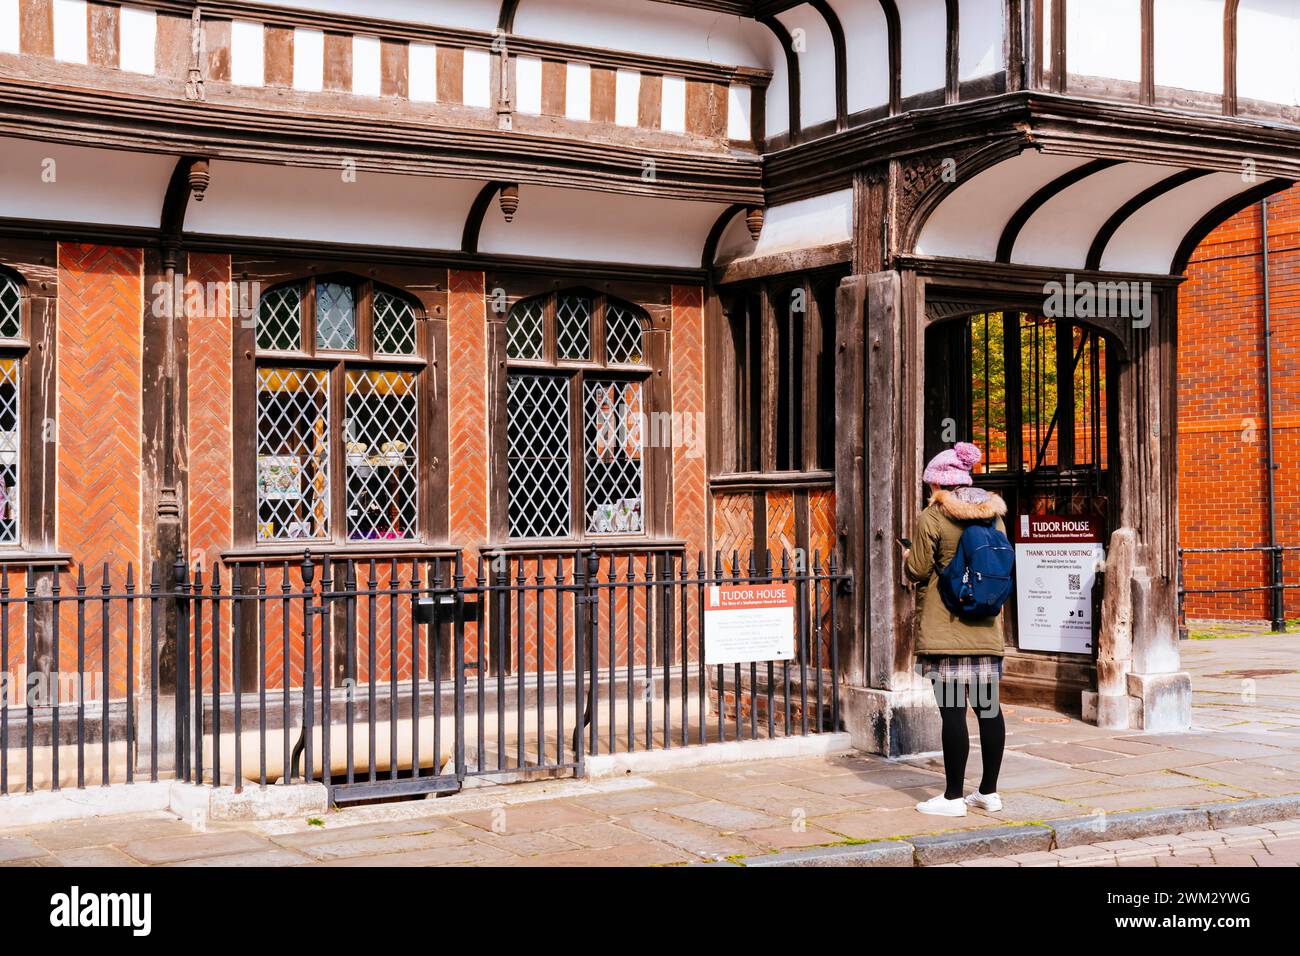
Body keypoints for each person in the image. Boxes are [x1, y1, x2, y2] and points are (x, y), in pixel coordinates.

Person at [901, 441, 1008, 817]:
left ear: (939, 484)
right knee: (988, 709)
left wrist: (908, 554)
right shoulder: (994, 516)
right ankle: (989, 792)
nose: (930, 490)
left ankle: (951, 798)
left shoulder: (933, 516)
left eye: (931, 484)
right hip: (986, 627)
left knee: (952, 712)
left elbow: (915, 571)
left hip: (946, 629)